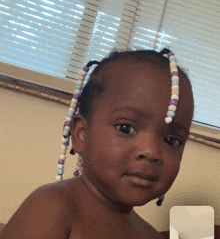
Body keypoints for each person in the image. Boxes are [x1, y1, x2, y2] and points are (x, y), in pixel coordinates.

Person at [0, 48, 194, 239]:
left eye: (171, 140)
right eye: (125, 128)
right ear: (82, 134)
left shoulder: (152, 236)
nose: (151, 151)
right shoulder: (53, 206)